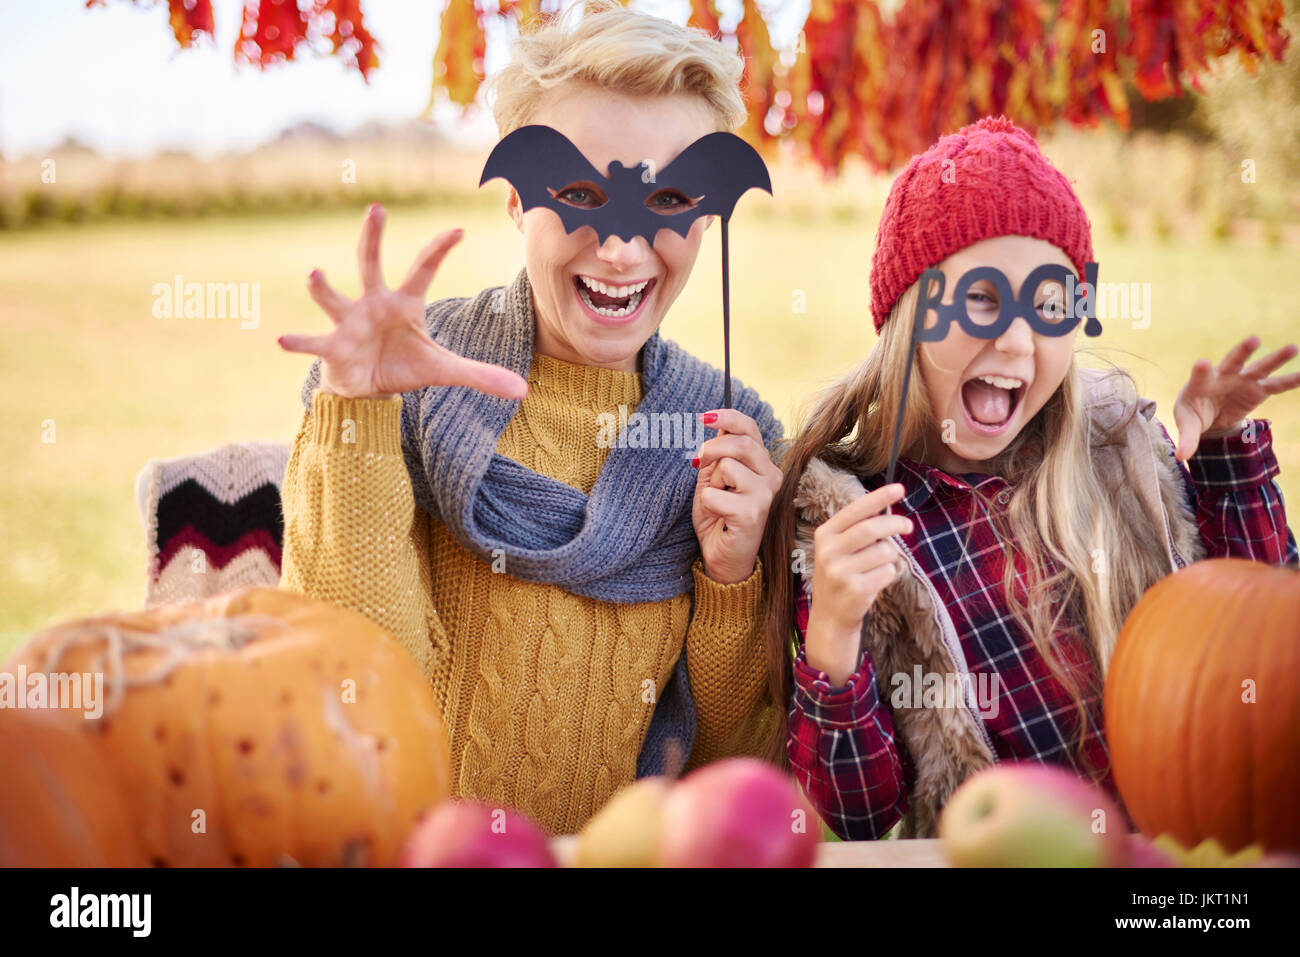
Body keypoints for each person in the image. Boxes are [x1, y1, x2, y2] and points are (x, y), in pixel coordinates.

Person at [276, 0, 783, 835]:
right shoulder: (414, 379)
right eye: (580, 193)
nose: (621, 251)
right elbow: (358, 685)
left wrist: (733, 584)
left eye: (669, 198)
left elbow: (730, 770)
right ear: (516, 200)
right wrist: (357, 414)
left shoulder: (730, 439)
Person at [761, 115, 1299, 841]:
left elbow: (1265, 652)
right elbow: (857, 816)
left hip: (1167, 864)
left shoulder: (1118, 463)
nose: (1015, 338)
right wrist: (833, 630)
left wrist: (1229, 457)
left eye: (1050, 304)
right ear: (908, 316)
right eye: (982, 298)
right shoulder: (857, 528)